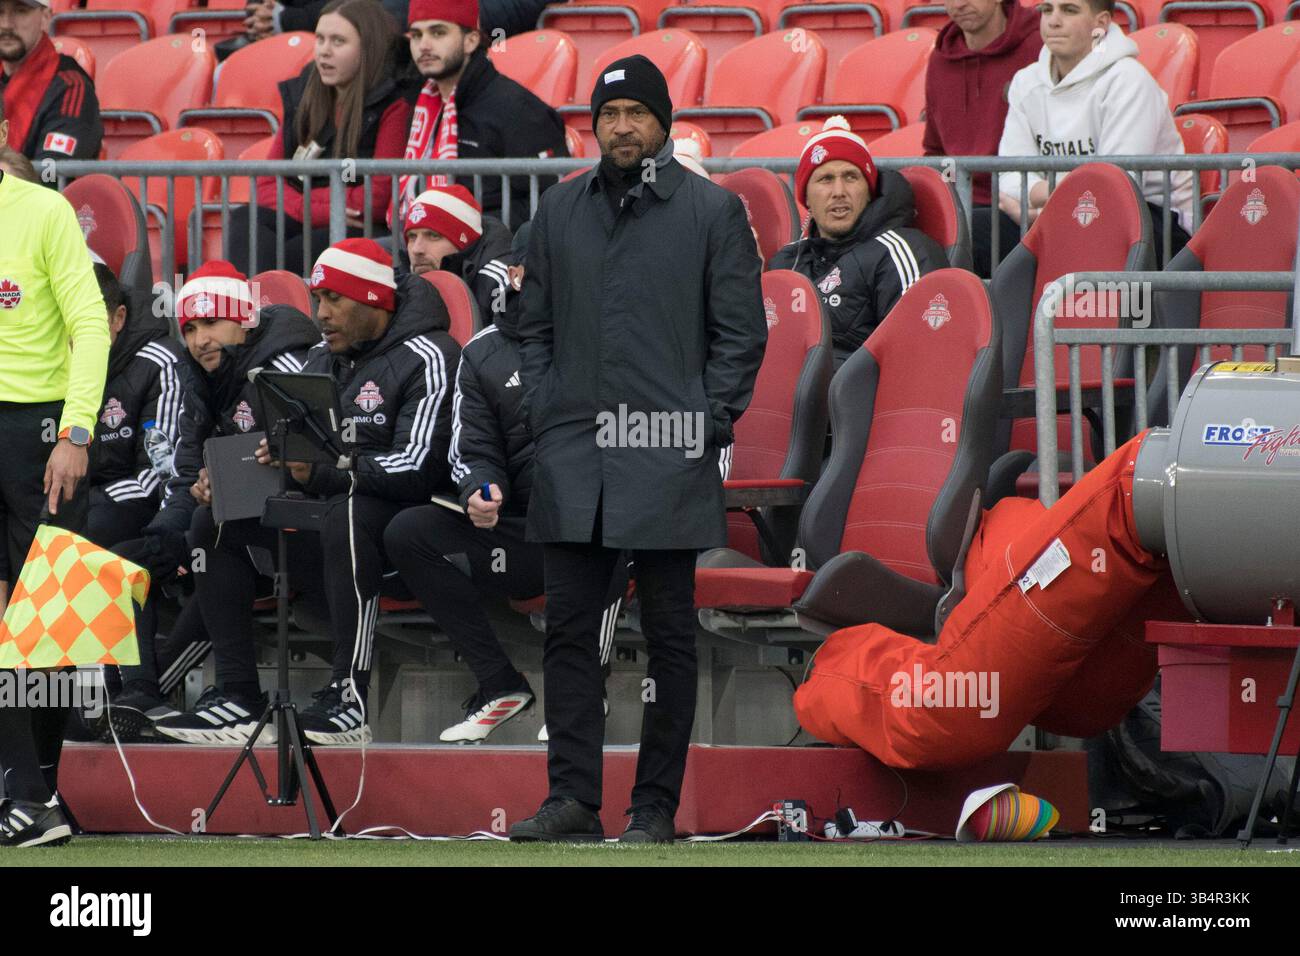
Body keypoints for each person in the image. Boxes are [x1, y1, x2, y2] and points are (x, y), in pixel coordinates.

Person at [509, 56, 767, 843]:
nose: (622, 127)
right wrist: (549, 411)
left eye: (636, 112)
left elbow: (740, 336)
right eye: (609, 114)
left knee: (668, 639)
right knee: (567, 633)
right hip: (574, 453)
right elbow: (533, 329)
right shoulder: (558, 210)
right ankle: (572, 800)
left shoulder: (713, 211)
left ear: (664, 121)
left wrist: (704, 422)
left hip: (668, 453)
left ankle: (654, 807)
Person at [154, 240, 460, 746]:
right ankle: (237, 694)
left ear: (371, 298)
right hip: (326, 532)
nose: (321, 314)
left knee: (347, 514)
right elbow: (288, 455)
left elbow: (417, 468)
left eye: (334, 300)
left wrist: (322, 472)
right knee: (214, 519)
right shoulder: (321, 358)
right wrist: (228, 481)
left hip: (400, 538)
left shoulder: (430, 354)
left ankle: (349, 698)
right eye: (317, 300)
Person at [108, 262, 323, 736]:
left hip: (300, 534)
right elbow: (187, 474)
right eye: (189, 329)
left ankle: (225, 692)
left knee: (210, 533)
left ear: (244, 319)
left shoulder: (289, 366)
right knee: (128, 561)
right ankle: (138, 694)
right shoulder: (197, 382)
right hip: (228, 530)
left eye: (211, 323)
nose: (200, 339)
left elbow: (324, 462)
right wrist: (172, 530)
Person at [0, 95, 109, 847]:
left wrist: (75, 432)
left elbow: (90, 323)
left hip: (37, 431)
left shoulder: (43, 210)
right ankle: (28, 793)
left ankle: (39, 789)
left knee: (51, 620)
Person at [997, 0, 1193, 262]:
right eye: (1047, 10)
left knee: (1091, 226)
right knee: (977, 230)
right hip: (1056, 213)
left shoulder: (1129, 80)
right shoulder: (1026, 82)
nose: (1053, 21)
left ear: (1101, 23)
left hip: (1152, 221)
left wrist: (1041, 201)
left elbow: (1115, 188)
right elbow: (1008, 176)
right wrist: (1044, 206)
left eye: (1069, 10)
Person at [228, 0, 412, 275]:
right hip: (314, 213)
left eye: (338, 41)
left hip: (362, 228)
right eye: (320, 39)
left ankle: (276, 300)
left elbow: (377, 196)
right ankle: (251, 299)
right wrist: (319, 209)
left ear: (367, 48)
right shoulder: (306, 89)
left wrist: (311, 205)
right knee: (247, 220)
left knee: (297, 250)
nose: (324, 51)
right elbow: (267, 182)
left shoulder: (393, 100)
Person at [769, 116, 948, 368]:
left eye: (851, 177)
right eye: (825, 179)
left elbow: (917, 357)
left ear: (869, 190)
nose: (839, 191)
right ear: (806, 197)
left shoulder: (902, 252)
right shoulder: (787, 261)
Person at [397, 0, 567, 232]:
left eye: (438, 33)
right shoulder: (421, 109)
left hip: (494, 244)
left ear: (471, 40)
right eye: (416, 35)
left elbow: (550, 200)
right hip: (425, 238)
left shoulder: (518, 109)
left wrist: (471, 227)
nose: (424, 46)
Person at [923, 0, 1041, 277]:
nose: (960, 4)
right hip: (962, 202)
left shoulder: (1038, 46)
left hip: (1020, 203)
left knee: (956, 240)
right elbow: (935, 149)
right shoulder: (939, 60)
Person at [83, 262, 184, 552]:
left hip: (137, 505)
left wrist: (77, 502)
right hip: (77, 499)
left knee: (84, 529)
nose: (74, 334)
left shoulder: (161, 363)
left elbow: (157, 476)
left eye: (88, 321)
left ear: (118, 318)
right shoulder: (53, 358)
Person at [0, 0, 101, 165]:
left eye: (20, 11)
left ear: (45, 18)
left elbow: (52, 174)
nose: (6, 25)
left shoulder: (71, 87)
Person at [403, 183, 514, 318]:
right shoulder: (400, 282)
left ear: (464, 241)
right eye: (412, 237)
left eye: (433, 236)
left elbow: (507, 331)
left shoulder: (500, 279)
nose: (417, 249)